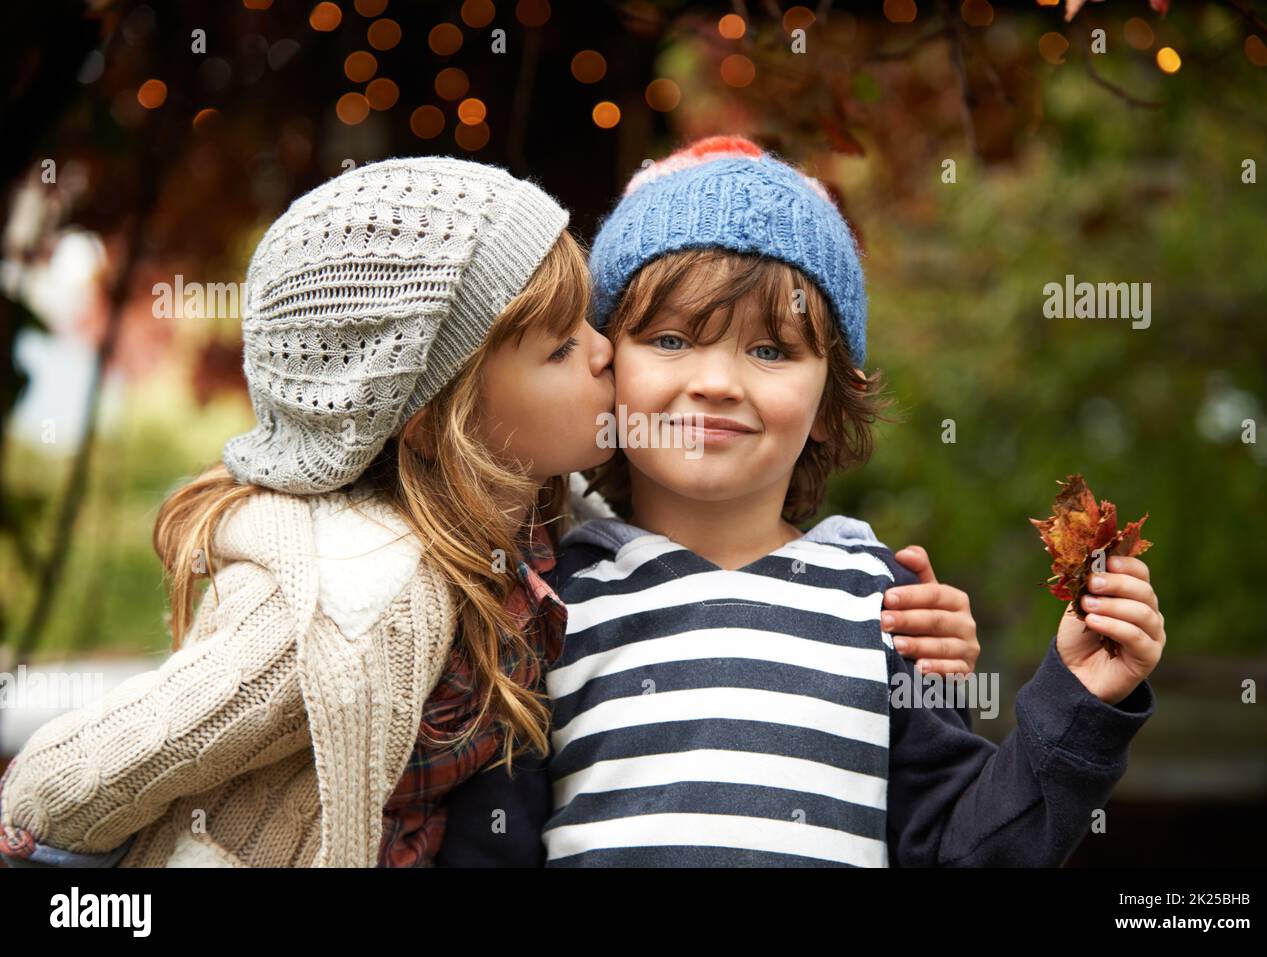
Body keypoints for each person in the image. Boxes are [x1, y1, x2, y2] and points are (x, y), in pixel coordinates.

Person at [538, 135, 1164, 866]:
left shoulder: (892, 610)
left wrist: (1076, 702)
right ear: (606, 367)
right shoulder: (546, 600)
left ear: (833, 402)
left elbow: (962, 851)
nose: (714, 381)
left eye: (770, 350)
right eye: (672, 338)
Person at [0, 155, 617, 867]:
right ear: (433, 415)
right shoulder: (342, 603)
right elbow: (56, 788)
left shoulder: (542, 520)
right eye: (563, 346)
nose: (606, 352)